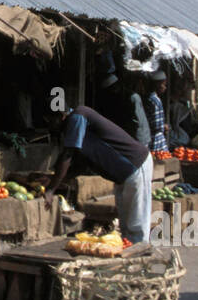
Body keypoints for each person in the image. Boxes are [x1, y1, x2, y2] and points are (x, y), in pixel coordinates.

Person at [46, 105, 152, 244]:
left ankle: (142, 259)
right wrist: (55, 180)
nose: (50, 126)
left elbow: (68, 154)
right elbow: (80, 164)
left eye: (50, 121)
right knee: (126, 225)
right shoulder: (73, 129)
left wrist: (51, 189)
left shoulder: (78, 116)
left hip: (135, 166)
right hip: (121, 175)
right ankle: (127, 259)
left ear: (61, 116)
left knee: (137, 224)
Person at [146, 71, 169, 152]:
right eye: (164, 85)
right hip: (156, 139)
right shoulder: (155, 100)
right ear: (158, 85)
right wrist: (164, 127)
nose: (165, 87)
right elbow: (157, 125)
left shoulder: (148, 98)